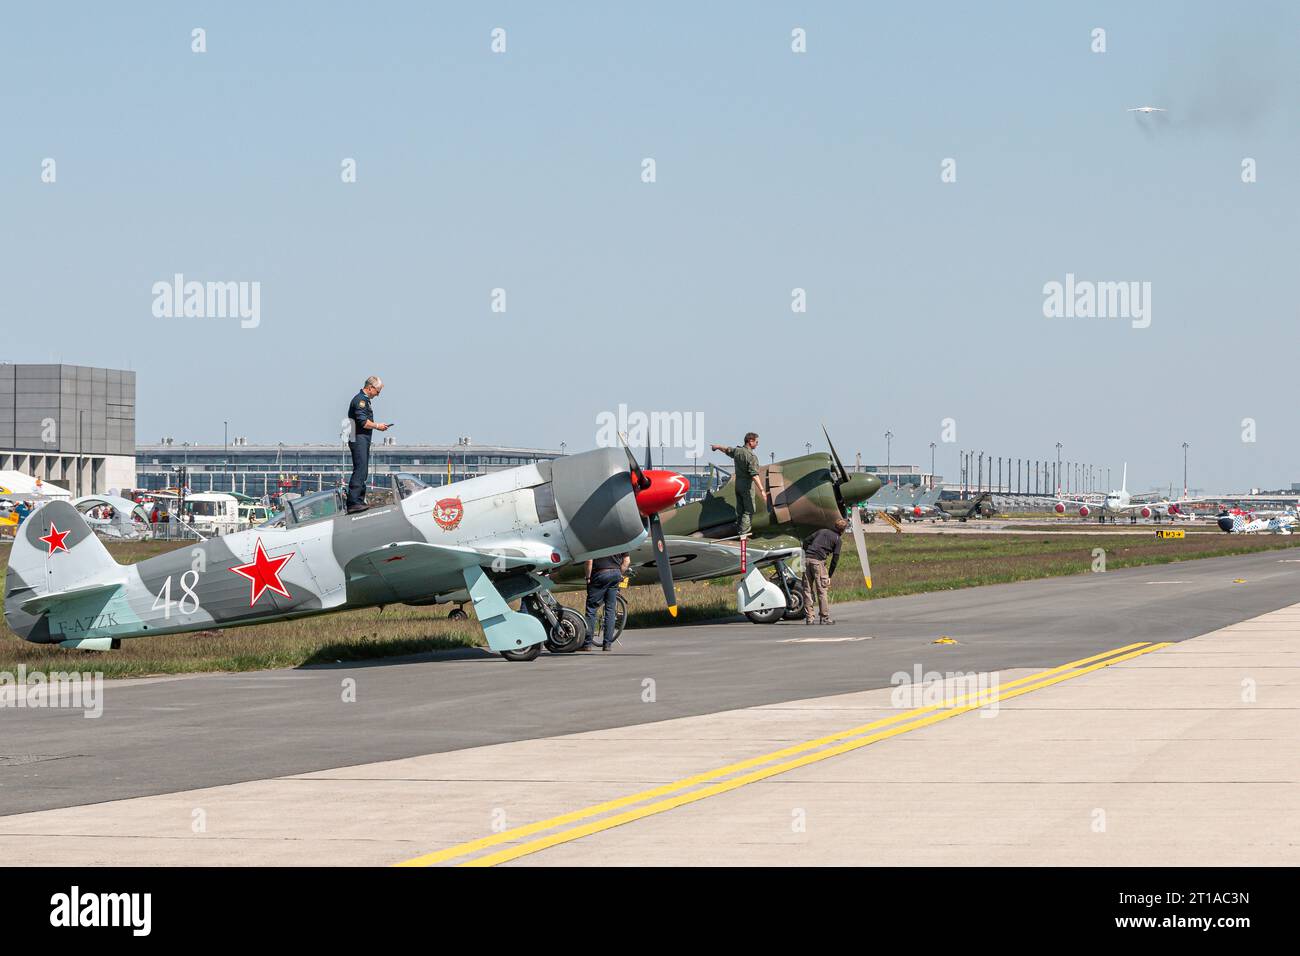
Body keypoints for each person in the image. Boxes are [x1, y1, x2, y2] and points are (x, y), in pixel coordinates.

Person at [346, 376, 391, 513]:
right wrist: (378, 426)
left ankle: (359, 500)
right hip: (358, 439)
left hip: (363, 439)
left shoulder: (365, 401)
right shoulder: (360, 401)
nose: (378, 395)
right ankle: (354, 502)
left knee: (363, 469)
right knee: (360, 469)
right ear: (370, 387)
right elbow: (363, 422)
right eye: (377, 391)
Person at [710, 433, 765, 538]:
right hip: (747, 487)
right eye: (756, 442)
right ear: (750, 441)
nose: (757, 444)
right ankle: (744, 535)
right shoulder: (751, 456)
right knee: (749, 510)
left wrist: (717, 447)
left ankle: (739, 531)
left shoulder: (738, 451)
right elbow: (754, 475)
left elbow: (727, 450)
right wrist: (762, 490)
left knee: (740, 510)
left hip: (738, 485)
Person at [802, 517, 847, 625]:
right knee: (822, 591)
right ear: (843, 530)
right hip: (818, 562)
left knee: (807, 590)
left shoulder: (822, 531)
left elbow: (806, 541)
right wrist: (829, 575)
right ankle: (824, 617)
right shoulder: (837, 539)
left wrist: (806, 554)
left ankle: (810, 618)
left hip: (807, 560)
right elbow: (835, 559)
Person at [583, 552, 629, 651]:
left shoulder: (592, 540)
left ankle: (587, 644)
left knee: (591, 609)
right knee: (610, 610)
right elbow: (627, 561)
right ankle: (607, 644)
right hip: (616, 573)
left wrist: (588, 577)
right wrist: (618, 574)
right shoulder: (620, 539)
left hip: (599, 573)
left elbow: (589, 561)